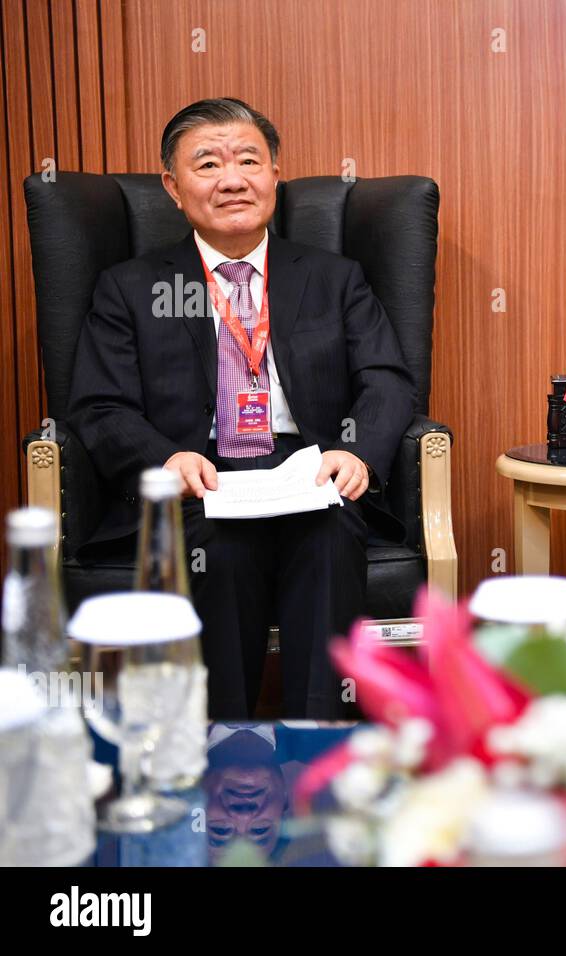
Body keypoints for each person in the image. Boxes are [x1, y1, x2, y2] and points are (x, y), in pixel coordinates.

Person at [67, 98, 415, 719]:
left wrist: (355, 451)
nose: (233, 179)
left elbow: (386, 380)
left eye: (249, 159)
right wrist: (164, 459)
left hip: (309, 468)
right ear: (173, 188)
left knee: (331, 533)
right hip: (199, 476)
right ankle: (220, 748)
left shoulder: (335, 279)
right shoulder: (130, 287)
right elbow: (99, 404)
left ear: (275, 174)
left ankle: (315, 743)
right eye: (208, 164)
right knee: (215, 548)